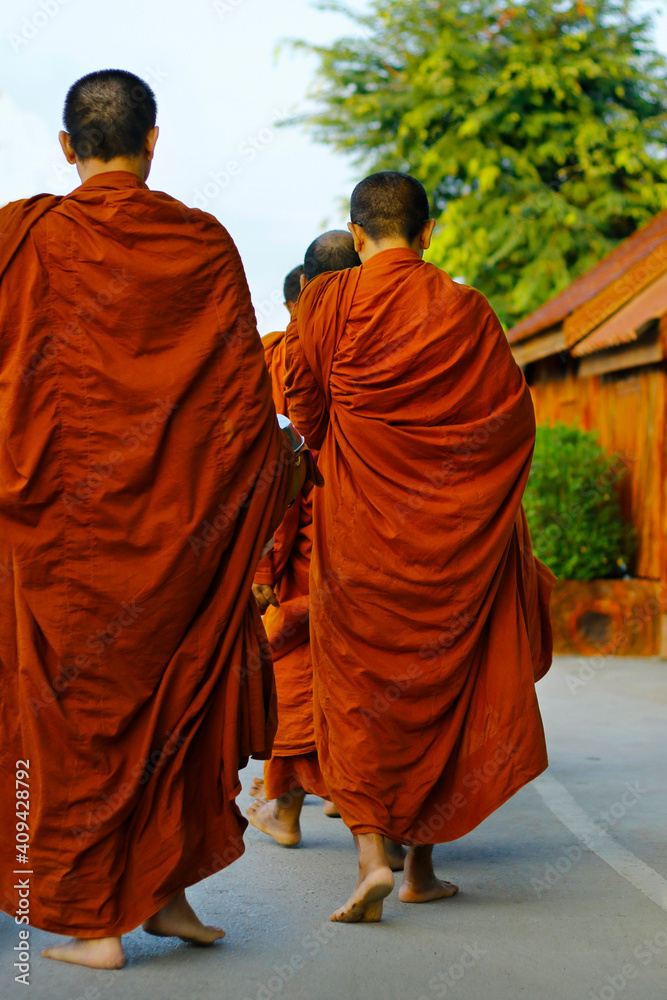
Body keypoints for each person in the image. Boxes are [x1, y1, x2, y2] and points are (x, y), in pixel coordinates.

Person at [0, 69, 318, 969]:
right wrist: (269, 482)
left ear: (68, 147)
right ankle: (159, 896)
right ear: (153, 140)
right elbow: (238, 408)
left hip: (58, 533)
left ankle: (110, 920)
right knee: (172, 705)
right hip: (180, 536)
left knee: (78, 718)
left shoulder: (22, 239)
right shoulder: (203, 243)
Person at [284, 171, 554, 923]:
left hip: (356, 532)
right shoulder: (465, 310)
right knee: (443, 688)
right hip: (447, 545)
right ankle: (420, 870)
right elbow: (507, 425)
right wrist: (467, 507)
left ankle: (371, 857)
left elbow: (303, 406)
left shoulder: (325, 301)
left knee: (358, 691)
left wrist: (345, 452)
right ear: (428, 232)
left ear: (357, 236)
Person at [247, 233, 361, 847]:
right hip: (371, 536)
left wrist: (263, 563)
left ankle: (286, 806)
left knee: (298, 667)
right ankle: (369, 814)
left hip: (305, 542)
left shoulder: (291, 355)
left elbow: (280, 463)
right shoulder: (386, 341)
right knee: (360, 674)